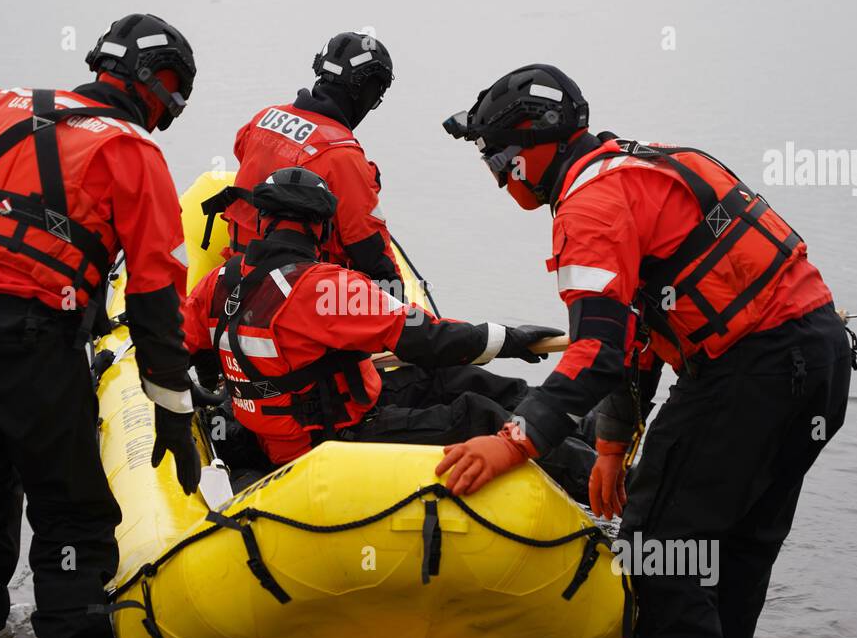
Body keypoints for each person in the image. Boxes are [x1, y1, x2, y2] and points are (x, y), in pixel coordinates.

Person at [436, 64, 855, 638]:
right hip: (820, 361)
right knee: (734, 553)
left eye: (498, 159)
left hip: (750, 370)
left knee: (658, 551)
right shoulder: (648, 165)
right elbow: (642, 329)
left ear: (533, 149)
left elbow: (598, 349)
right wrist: (609, 444)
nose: (497, 177)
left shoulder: (587, 208)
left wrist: (513, 441)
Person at [0, 13, 202, 638]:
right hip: (30, 341)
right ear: (161, 88)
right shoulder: (135, 153)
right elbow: (155, 296)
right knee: (72, 513)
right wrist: (174, 413)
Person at [182, 167, 596, 495]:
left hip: (282, 427)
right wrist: (511, 339)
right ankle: (603, 485)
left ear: (264, 220)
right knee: (478, 412)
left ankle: (585, 436)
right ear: (321, 228)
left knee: (453, 377)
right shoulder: (325, 287)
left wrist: (210, 392)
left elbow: (186, 348)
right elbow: (425, 337)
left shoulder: (217, 282)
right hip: (333, 438)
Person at [200, 31, 404, 288]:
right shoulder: (343, 156)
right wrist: (401, 303)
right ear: (364, 90)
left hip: (239, 273)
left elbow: (242, 150)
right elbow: (370, 253)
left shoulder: (264, 118)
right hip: (300, 293)